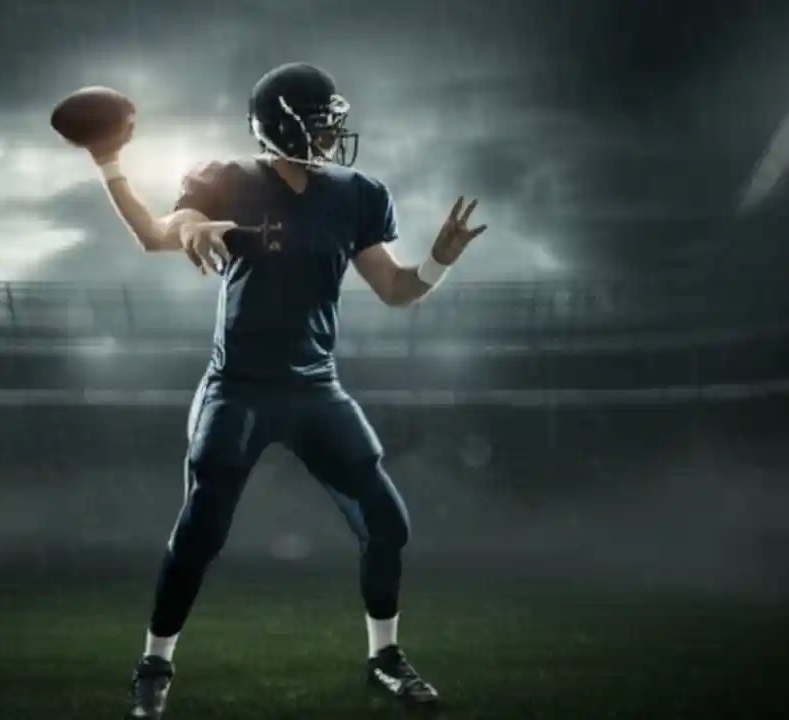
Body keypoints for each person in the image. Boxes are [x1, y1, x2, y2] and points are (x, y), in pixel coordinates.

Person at [87, 62, 487, 719]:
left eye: (334, 118)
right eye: (320, 120)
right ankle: (155, 662)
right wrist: (131, 181)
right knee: (200, 533)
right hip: (237, 387)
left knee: (387, 523)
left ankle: (384, 657)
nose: (334, 131)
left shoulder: (357, 193)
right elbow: (160, 232)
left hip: (313, 387)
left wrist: (439, 260)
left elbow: (395, 290)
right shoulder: (230, 179)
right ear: (279, 124)